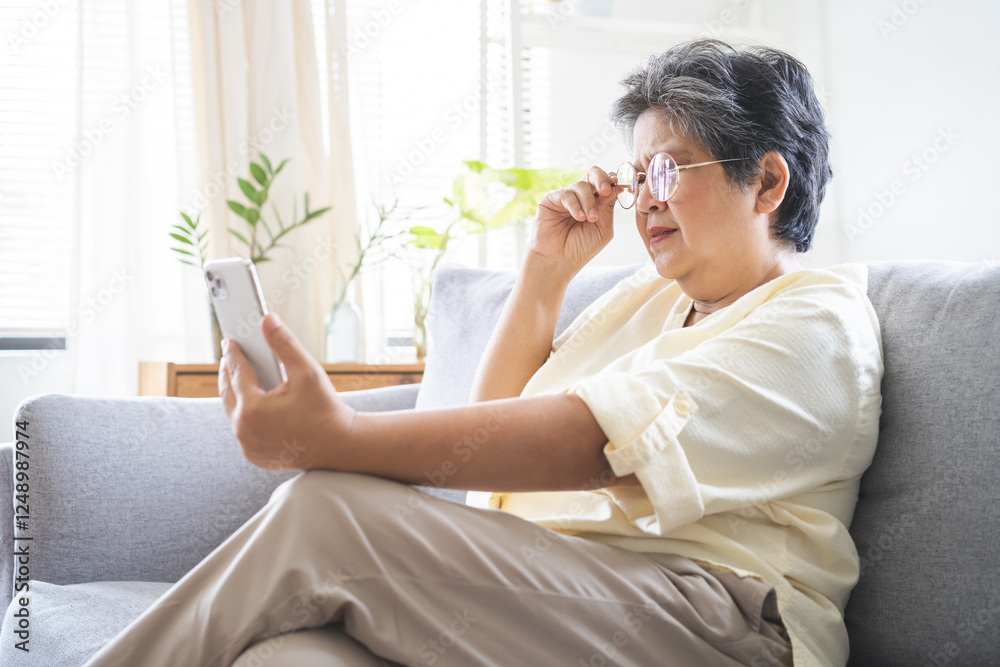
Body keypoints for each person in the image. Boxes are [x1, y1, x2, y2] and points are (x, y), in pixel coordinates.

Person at [84, 39, 882, 667]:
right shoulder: (648, 299)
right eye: (638, 176)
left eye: (668, 169)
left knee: (320, 508)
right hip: (557, 598)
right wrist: (543, 271)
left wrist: (337, 440)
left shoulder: (817, 323)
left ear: (768, 183)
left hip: (716, 626)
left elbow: (591, 443)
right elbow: (489, 444)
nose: (644, 201)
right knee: (288, 656)